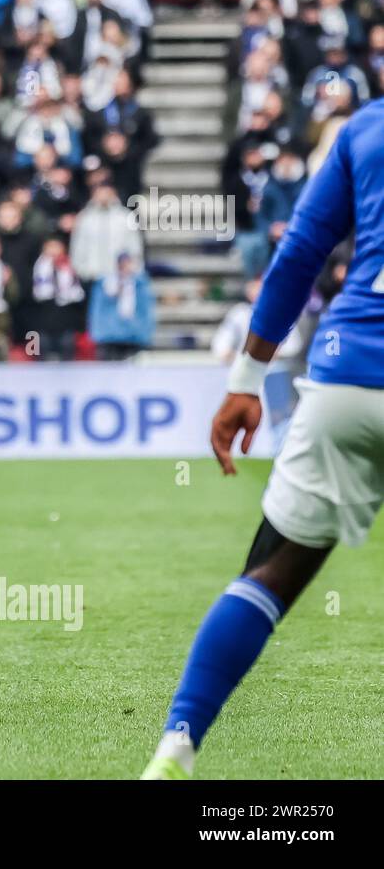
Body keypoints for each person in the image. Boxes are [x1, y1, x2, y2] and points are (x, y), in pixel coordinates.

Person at [142, 99, 384, 779]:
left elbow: (301, 251)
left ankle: (176, 748)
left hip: (347, 379)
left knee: (269, 576)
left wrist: (246, 379)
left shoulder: (364, 128)